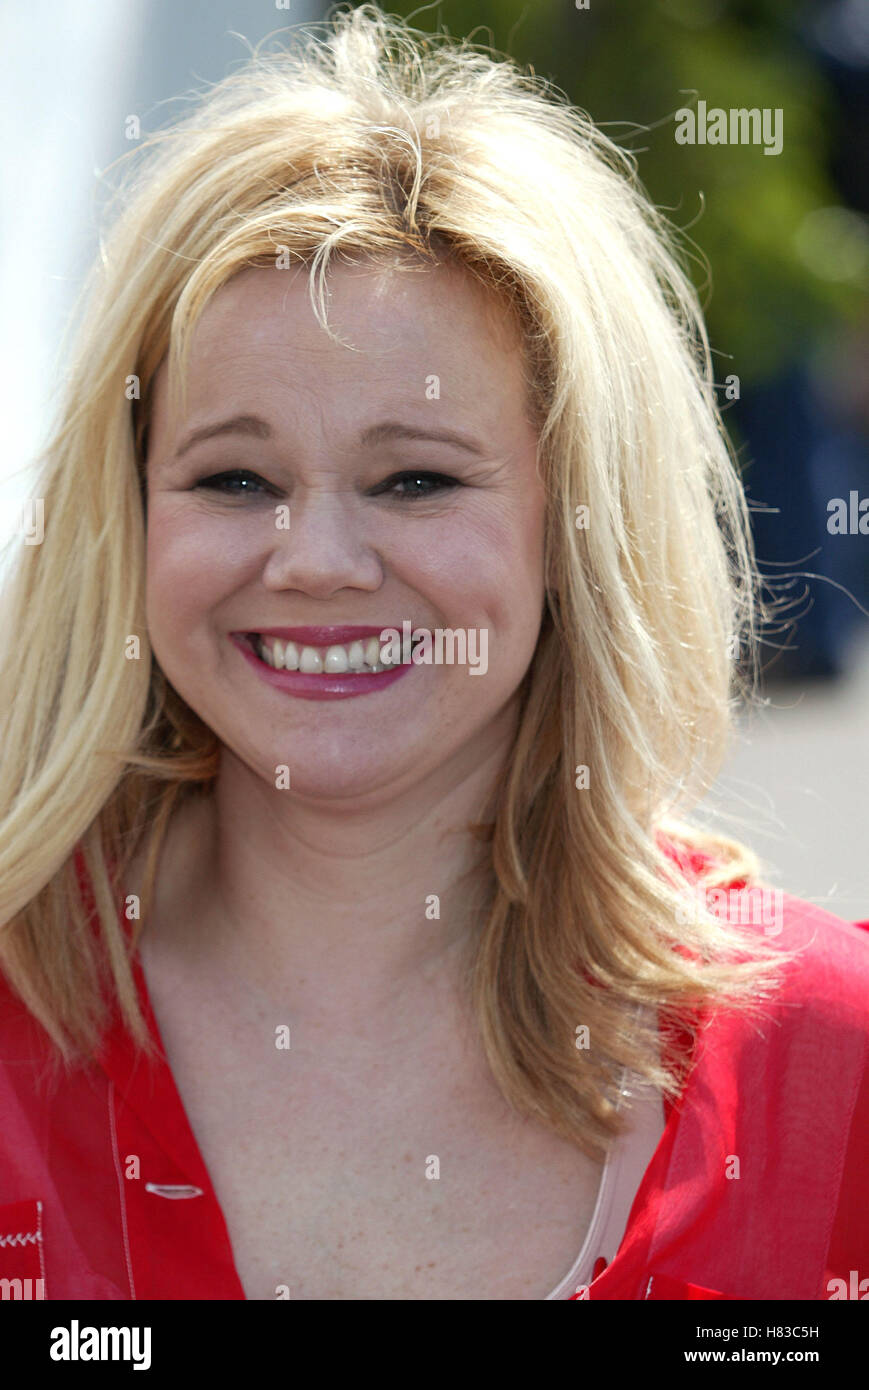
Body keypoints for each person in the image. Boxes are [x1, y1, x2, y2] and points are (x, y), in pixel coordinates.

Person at [0, 5, 866, 1302]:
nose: (316, 559)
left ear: (576, 522)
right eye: (234, 476)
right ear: (123, 520)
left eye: (413, 478)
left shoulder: (833, 1066)